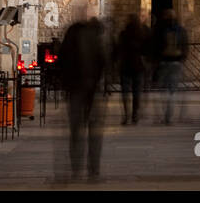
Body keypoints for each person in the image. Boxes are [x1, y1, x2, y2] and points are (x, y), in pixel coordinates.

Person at [57, 16, 108, 179]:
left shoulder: (72, 34)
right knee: (93, 132)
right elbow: (103, 62)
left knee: (76, 131)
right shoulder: (96, 39)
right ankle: (93, 169)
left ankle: (76, 168)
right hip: (90, 90)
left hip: (76, 89)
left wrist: (65, 84)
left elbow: (62, 60)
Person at [151, 8, 188, 124]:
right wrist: (183, 59)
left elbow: (155, 45)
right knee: (172, 90)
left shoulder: (159, 29)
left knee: (163, 90)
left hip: (163, 61)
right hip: (177, 62)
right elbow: (185, 46)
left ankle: (166, 116)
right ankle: (169, 116)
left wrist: (154, 60)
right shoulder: (181, 30)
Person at [116, 14, 147, 125]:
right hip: (138, 66)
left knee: (125, 92)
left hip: (125, 66)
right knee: (136, 93)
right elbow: (146, 50)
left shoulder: (123, 34)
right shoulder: (141, 34)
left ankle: (126, 115)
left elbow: (118, 49)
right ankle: (135, 115)